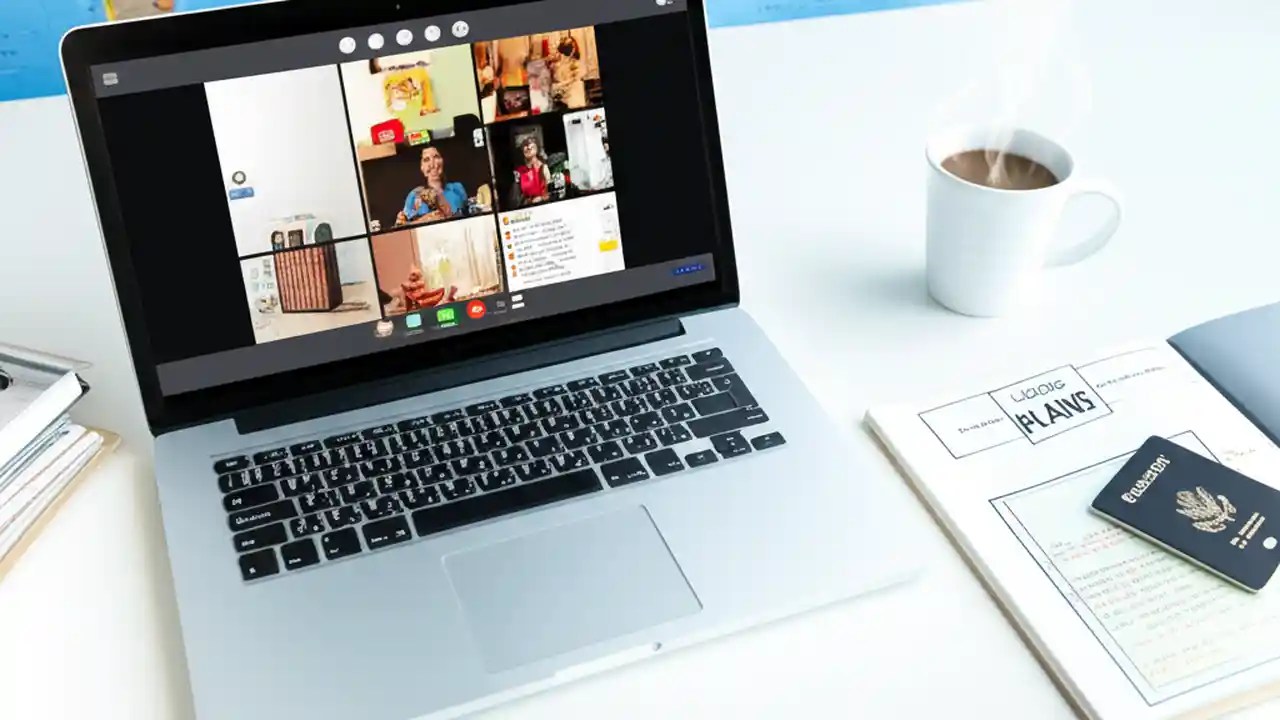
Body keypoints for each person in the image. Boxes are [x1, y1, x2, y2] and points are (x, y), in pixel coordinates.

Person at [396, 146, 468, 226]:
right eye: (426, 160)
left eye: (436, 157)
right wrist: (427, 219)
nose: (432, 164)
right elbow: (403, 226)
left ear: (442, 161)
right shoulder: (414, 195)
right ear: (421, 167)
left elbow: (470, 214)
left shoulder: (457, 188)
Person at [511, 135, 552, 207]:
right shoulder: (519, 172)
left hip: (544, 206)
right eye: (525, 146)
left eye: (531, 146)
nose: (528, 148)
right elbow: (516, 198)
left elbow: (551, 192)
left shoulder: (543, 168)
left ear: (537, 149)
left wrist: (541, 198)